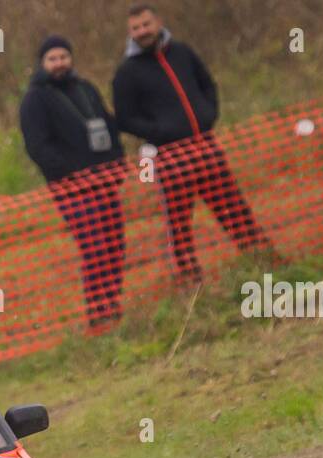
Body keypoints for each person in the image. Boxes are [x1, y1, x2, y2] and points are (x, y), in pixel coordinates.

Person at [112, 4, 272, 284]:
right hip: (171, 157)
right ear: (130, 33)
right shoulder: (127, 73)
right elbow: (125, 119)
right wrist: (160, 132)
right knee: (179, 222)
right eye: (136, 28)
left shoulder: (182, 53)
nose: (142, 32)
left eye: (146, 25)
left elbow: (208, 84)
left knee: (233, 206)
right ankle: (188, 278)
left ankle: (261, 257)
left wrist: (207, 114)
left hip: (205, 145)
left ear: (158, 22)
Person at [20, 35, 127, 333]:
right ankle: (98, 315)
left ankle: (113, 307)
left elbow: (109, 126)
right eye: (52, 59)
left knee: (115, 245)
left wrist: (118, 163)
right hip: (72, 190)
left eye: (63, 57)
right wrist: (73, 175)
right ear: (42, 64)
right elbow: (38, 148)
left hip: (105, 183)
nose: (59, 64)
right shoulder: (34, 100)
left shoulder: (86, 89)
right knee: (94, 248)